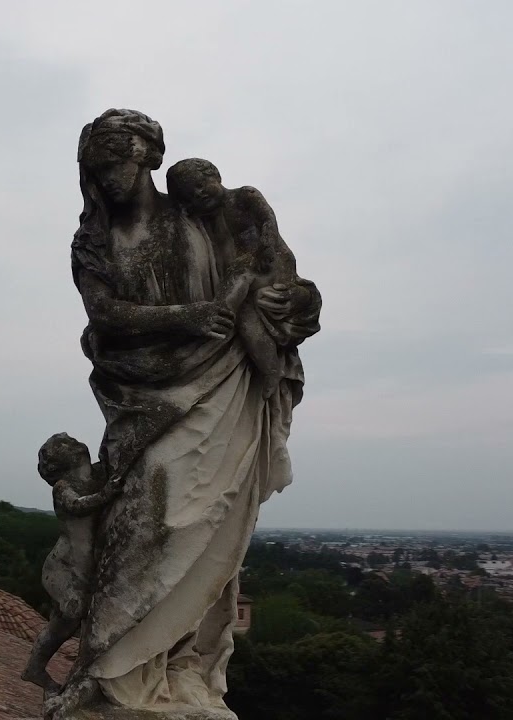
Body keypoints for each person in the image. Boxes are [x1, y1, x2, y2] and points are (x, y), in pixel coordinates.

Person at [46, 108, 322, 719]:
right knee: (145, 522)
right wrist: (188, 317)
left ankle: (177, 668)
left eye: (115, 163)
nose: (107, 179)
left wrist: (293, 304)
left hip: (225, 385)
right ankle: (112, 669)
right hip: (143, 396)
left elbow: (281, 279)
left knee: (207, 526)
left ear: (146, 155)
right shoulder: (93, 240)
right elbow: (104, 313)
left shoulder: (204, 214)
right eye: (96, 169)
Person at [166, 157, 298, 398]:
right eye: (191, 195)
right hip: (245, 281)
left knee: (239, 270)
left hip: (271, 264)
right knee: (246, 321)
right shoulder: (203, 220)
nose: (199, 194)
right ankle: (270, 370)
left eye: (200, 185)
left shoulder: (244, 196)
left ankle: (218, 313)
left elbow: (267, 219)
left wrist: (267, 245)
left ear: (215, 175)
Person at [22, 433, 121, 693]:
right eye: (63, 443)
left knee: (72, 619)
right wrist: (106, 494)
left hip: (82, 565)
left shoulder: (94, 474)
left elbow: (108, 454)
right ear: (57, 462)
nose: (71, 439)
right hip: (64, 566)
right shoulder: (63, 486)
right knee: (70, 617)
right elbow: (77, 506)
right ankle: (35, 667)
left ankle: (39, 667)